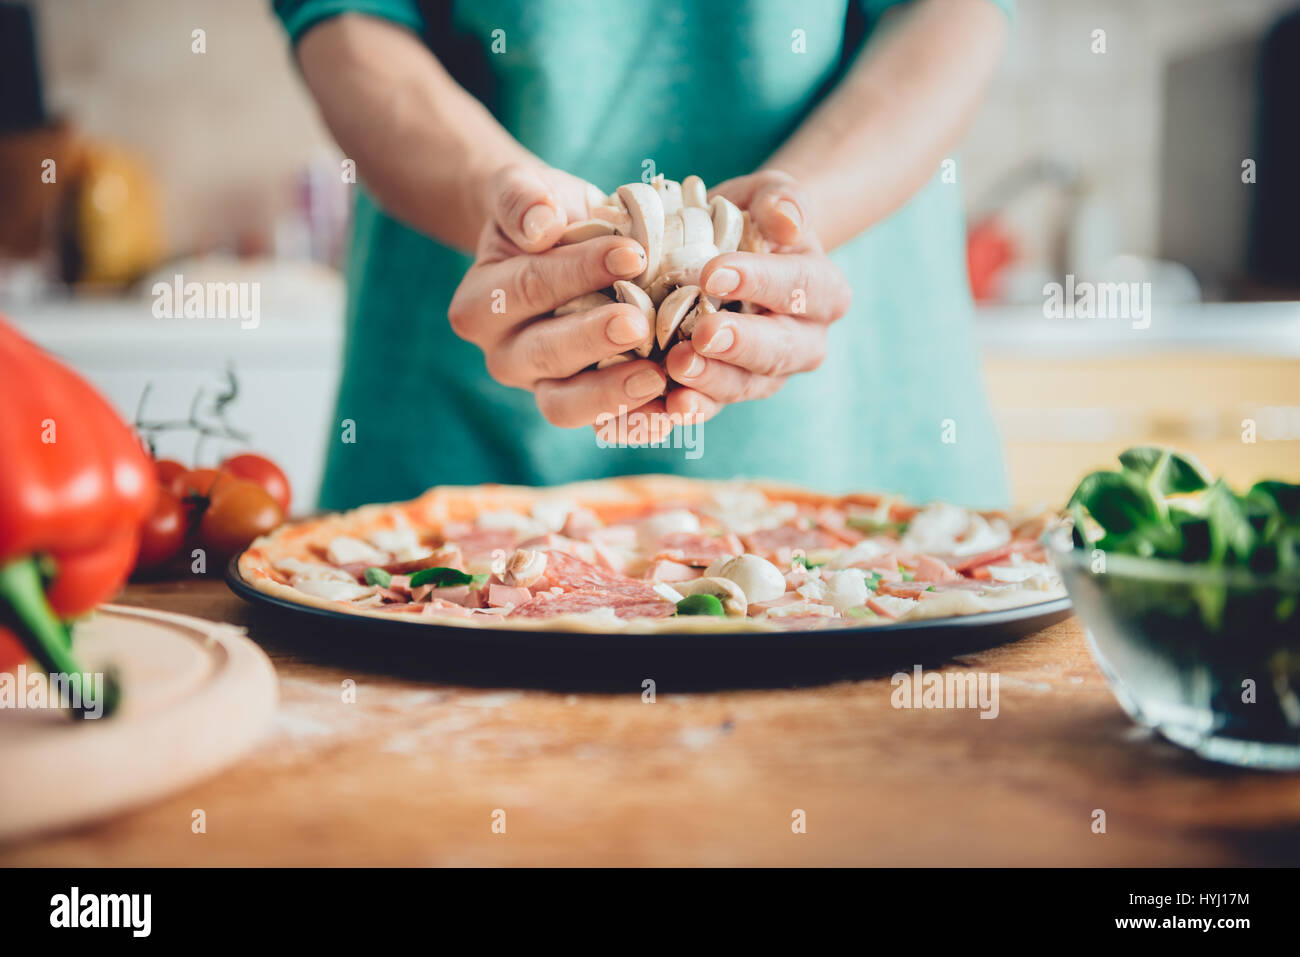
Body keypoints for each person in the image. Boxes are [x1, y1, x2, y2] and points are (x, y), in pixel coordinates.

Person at [274, 0, 1013, 509]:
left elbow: (951, 13)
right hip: (452, 449)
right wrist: (501, 203)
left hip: (862, 450)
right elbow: (345, 22)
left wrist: (796, 218)